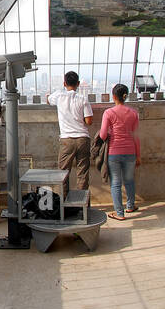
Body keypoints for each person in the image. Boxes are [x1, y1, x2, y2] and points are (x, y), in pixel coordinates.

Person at [47, 70, 98, 202]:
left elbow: (48, 99)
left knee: (63, 172)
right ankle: (82, 205)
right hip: (82, 139)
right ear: (78, 84)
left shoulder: (59, 96)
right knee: (82, 173)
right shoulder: (83, 99)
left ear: (64, 83)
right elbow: (89, 121)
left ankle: (63, 203)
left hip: (66, 140)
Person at [98, 83, 142, 218]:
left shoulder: (109, 113)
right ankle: (130, 206)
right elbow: (136, 136)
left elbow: (103, 135)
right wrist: (138, 155)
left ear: (113, 96)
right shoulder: (134, 113)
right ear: (126, 96)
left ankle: (119, 213)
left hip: (114, 153)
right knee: (129, 180)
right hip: (130, 152)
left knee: (116, 183)